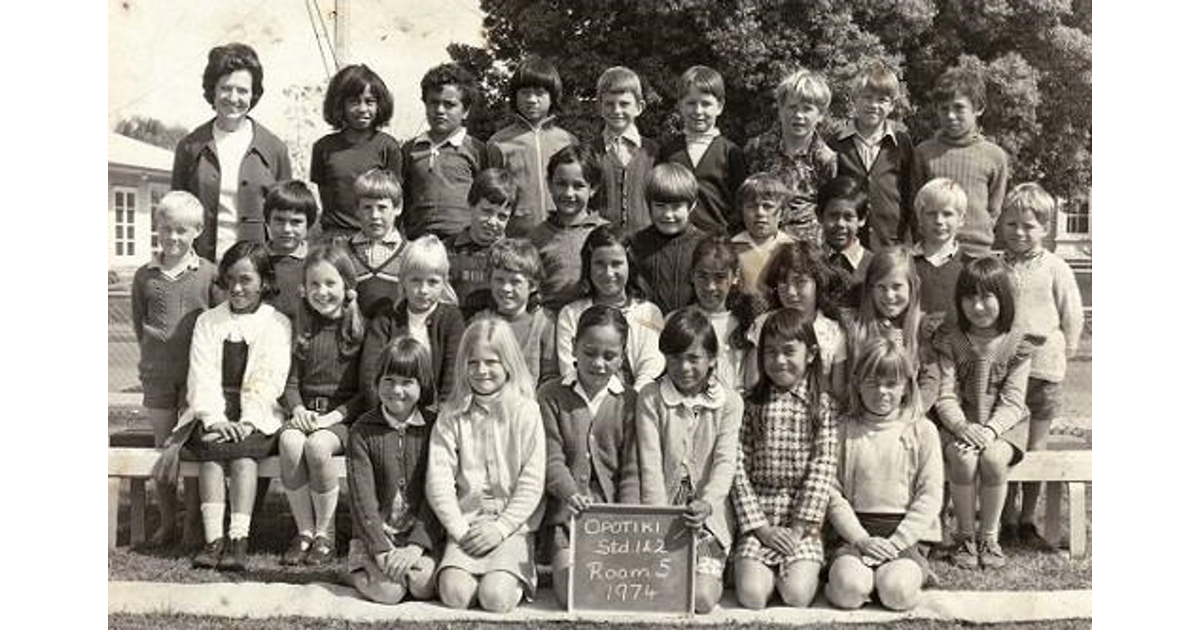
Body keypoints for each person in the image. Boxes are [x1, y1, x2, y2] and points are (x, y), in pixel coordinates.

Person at [174, 241, 292, 571]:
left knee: (243, 455)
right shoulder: (208, 321)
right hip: (215, 411)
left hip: (258, 414)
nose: (237, 288)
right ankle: (213, 540)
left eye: (247, 280)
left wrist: (249, 421)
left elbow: (272, 378)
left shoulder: (276, 323)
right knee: (212, 454)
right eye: (231, 279)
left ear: (264, 282)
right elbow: (201, 374)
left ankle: (239, 538)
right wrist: (214, 419)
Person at [426, 318, 547, 612]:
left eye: (491, 362)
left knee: (495, 599)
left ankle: (507, 575)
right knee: (455, 595)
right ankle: (460, 567)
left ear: (508, 363)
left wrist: (501, 528)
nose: (481, 371)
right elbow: (438, 481)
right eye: (473, 362)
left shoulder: (526, 411)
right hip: (466, 526)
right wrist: (458, 529)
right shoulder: (451, 414)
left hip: (511, 527)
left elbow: (533, 481)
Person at [934, 256, 1041, 570]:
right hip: (961, 425)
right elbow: (946, 394)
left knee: (994, 458)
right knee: (963, 459)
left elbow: (1013, 401)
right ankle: (966, 537)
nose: (978, 306)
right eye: (969, 297)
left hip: (1004, 427)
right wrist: (962, 426)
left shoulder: (1016, 343)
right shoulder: (952, 340)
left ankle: (989, 537)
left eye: (987, 296)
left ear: (1004, 299)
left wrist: (991, 431)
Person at [636, 308, 744, 614]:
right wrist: (658, 520)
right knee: (656, 586)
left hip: (709, 518)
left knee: (701, 599)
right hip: (661, 515)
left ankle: (717, 568)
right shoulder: (651, 397)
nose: (683, 367)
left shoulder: (730, 402)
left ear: (711, 358)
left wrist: (707, 503)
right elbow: (650, 465)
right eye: (674, 358)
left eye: (693, 358)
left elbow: (725, 463)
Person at [824, 337, 943, 611]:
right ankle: (850, 579)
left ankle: (905, 577)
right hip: (854, 535)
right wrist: (860, 539)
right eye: (872, 383)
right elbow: (832, 492)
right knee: (849, 592)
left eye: (891, 384)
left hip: (905, 538)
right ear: (857, 384)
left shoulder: (922, 430)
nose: (882, 392)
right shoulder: (843, 430)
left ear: (906, 387)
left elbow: (930, 495)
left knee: (897, 592)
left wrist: (897, 543)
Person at [730, 309, 837, 610]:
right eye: (770, 352)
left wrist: (798, 530)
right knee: (752, 596)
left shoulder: (823, 407)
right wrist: (761, 529)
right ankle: (752, 570)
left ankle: (797, 572)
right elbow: (737, 469)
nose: (778, 361)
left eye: (789, 352)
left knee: (797, 595)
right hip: (758, 519)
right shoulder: (750, 404)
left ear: (812, 353)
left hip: (801, 524)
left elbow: (822, 469)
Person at [997, 183, 1084, 549]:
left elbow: (1072, 313)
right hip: (1003, 370)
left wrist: (1066, 351)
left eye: (1029, 226)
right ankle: (1003, 516)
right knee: (1003, 444)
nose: (1019, 232)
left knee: (1036, 446)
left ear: (1045, 227)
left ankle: (1028, 518)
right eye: (1012, 223)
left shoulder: (1055, 267)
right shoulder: (996, 265)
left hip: (1044, 370)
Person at [131, 190, 219, 547]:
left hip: (196, 378)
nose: (173, 237)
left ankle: (192, 525)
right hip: (158, 377)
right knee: (163, 448)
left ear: (197, 230)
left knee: (192, 451)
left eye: (182, 230)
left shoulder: (209, 274)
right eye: (166, 229)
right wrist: (155, 359)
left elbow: (215, 324)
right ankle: (168, 521)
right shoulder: (144, 276)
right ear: (158, 228)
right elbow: (140, 325)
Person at [538, 305, 641, 607]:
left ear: (622, 356)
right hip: (566, 518)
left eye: (609, 356)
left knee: (616, 592)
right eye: (589, 352)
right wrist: (570, 492)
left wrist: (626, 520)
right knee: (574, 593)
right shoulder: (551, 395)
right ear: (573, 348)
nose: (598, 363)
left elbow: (633, 470)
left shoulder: (630, 401)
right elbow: (551, 457)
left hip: (613, 521)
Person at [278, 244, 367, 566]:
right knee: (289, 441)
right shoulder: (301, 328)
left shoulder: (357, 330)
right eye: (314, 284)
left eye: (330, 283)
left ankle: (325, 533)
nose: (322, 292)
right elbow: (289, 383)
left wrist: (332, 417)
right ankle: (304, 531)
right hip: (305, 415)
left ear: (347, 287)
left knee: (317, 447)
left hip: (342, 419)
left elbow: (363, 393)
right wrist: (298, 409)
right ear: (304, 288)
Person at [173, 43, 292, 262]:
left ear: (253, 94)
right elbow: (176, 216)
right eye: (226, 88)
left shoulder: (275, 149)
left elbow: (288, 217)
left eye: (243, 90)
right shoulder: (189, 147)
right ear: (213, 90)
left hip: (257, 269)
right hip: (200, 268)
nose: (233, 98)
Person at [346, 338, 442, 604]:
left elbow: (438, 493)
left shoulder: (436, 428)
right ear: (377, 382)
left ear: (422, 386)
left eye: (407, 382)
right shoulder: (362, 431)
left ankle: (407, 569)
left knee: (423, 586)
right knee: (390, 592)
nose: (396, 390)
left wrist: (416, 545)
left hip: (419, 536)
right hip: (375, 535)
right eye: (388, 380)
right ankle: (357, 569)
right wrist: (379, 549)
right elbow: (361, 500)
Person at [912, 65, 1009, 259]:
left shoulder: (995, 156)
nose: (950, 116)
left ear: (978, 108)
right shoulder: (923, 152)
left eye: (959, 108)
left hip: (977, 254)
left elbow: (994, 210)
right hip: (933, 253)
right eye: (944, 108)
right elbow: (915, 205)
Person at [556, 226, 665, 392]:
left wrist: (630, 404)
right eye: (599, 264)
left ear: (630, 264)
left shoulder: (649, 313)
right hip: (584, 400)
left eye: (616, 264)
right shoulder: (571, 314)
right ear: (588, 266)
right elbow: (570, 368)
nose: (608, 273)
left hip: (637, 403)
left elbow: (650, 368)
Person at [360, 235, 465, 408]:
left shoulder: (451, 319)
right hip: (390, 410)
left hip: (435, 414)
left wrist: (442, 416)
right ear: (403, 280)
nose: (423, 290)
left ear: (444, 283)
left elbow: (453, 375)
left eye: (432, 282)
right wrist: (385, 413)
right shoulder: (386, 318)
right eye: (415, 280)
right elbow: (369, 374)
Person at [743, 67, 837, 247]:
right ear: (780, 109)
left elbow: (830, 211)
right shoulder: (756, 148)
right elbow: (743, 199)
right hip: (761, 244)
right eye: (792, 107)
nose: (799, 115)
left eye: (807, 109)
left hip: (807, 251)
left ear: (821, 116)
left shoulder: (826, 159)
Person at [744, 241, 848, 403]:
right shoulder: (764, 322)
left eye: (800, 282)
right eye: (783, 282)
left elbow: (838, 392)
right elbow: (752, 382)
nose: (791, 292)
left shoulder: (833, 332)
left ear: (818, 282)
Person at [487, 56, 579, 238]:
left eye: (540, 92)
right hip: (517, 239)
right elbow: (492, 196)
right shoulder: (499, 143)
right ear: (515, 97)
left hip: (562, 236)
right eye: (525, 92)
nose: (531, 99)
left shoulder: (568, 141)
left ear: (552, 97)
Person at [310, 64, 403, 242]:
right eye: (354, 101)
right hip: (336, 238)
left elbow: (394, 200)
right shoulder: (324, 148)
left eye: (369, 102)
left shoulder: (388, 147)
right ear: (340, 105)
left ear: (380, 104)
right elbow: (327, 201)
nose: (362, 109)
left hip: (376, 236)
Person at [830, 59, 915, 250]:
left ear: (892, 105)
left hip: (891, 243)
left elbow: (911, 194)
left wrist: (910, 241)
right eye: (867, 97)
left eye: (882, 100)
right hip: (848, 244)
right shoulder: (835, 144)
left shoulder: (902, 143)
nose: (873, 105)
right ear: (854, 99)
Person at [842, 247, 939, 413]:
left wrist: (911, 412)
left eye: (897, 286)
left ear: (912, 286)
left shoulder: (921, 329)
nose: (889, 295)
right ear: (870, 289)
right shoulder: (857, 329)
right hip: (864, 420)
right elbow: (847, 381)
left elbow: (930, 379)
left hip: (908, 419)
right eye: (881, 287)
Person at [402, 62, 490, 241]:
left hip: (463, 243)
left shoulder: (477, 150)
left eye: (449, 105)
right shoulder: (410, 149)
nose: (440, 110)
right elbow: (401, 199)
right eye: (433, 103)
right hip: (419, 243)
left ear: (465, 111)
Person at [658, 65, 747, 236]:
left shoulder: (731, 152)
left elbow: (741, 204)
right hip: (674, 243)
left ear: (719, 106)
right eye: (691, 103)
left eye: (706, 104)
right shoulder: (668, 152)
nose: (698, 111)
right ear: (680, 106)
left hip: (717, 245)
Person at [529, 145, 610, 312]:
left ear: (593, 188)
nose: (568, 193)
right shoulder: (536, 238)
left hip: (595, 325)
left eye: (578, 185)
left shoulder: (606, 233)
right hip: (550, 326)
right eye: (561, 184)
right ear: (550, 185)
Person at [470, 238, 558, 386]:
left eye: (515, 282)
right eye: (499, 280)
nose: (506, 288)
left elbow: (549, 378)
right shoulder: (479, 322)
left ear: (532, 285)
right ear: (489, 280)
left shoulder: (544, 325)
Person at [677, 235, 754, 394]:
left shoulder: (746, 324)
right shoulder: (677, 321)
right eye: (703, 276)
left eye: (720, 277)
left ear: (735, 277)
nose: (710, 287)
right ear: (692, 275)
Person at [590, 66, 658, 238]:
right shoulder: (590, 152)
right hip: (604, 248)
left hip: (646, 244)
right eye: (609, 104)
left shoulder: (654, 153)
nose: (617, 110)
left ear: (639, 107)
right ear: (599, 107)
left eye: (624, 104)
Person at [630, 163, 705, 313]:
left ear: (692, 205)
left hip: (691, 327)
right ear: (649, 204)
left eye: (676, 207)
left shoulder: (703, 245)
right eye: (660, 205)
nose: (668, 214)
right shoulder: (636, 244)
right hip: (646, 327)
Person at [447, 168, 518, 320]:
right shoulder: (446, 251)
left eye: (502, 216)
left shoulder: (515, 257)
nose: (493, 222)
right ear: (471, 205)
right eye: (487, 211)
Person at [340, 168, 407, 318]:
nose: (374, 215)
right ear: (357, 209)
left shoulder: (410, 253)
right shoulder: (343, 252)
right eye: (367, 208)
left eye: (382, 208)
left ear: (397, 208)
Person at [730, 173, 797, 309]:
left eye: (768, 206)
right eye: (751, 206)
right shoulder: (731, 248)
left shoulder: (792, 247)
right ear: (741, 211)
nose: (760, 213)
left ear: (782, 213)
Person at [911, 178, 968, 332]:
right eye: (931, 214)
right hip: (913, 348)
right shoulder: (905, 263)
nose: (939, 221)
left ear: (961, 219)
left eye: (947, 214)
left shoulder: (969, 266)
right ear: (920, 218)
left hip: (958, 351)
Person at [263, 180, 318, 323]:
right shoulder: (256, 260)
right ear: (267, 221)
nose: (287, 229)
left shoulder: (317, 262)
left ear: (309, 223)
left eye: (296, 222)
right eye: (279, 220)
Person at [819, 176, 875, 300]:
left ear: (862, 219)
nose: (840, 224)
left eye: (848, 217)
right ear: (820, 216)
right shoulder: (811, 261)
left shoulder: (875, 265)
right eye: (833, 216)